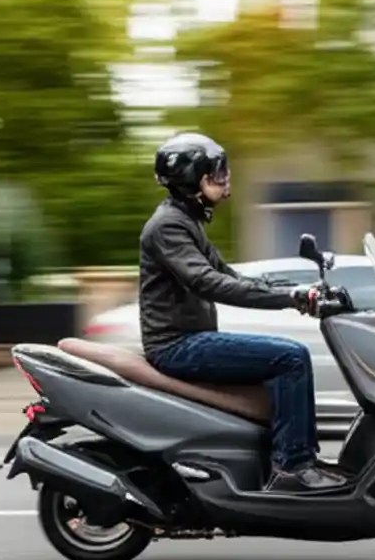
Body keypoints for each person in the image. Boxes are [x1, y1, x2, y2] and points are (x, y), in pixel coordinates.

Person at [139, 132, 345, 493]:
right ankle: (293, 466)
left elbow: (229, 275)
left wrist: (295, 288)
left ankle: (285, 457)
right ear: (193, 181)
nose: (226, 179)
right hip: (176, 345)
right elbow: (209, 283)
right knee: (290, 357)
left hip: (191, 338)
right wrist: (290, 298)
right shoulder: (168, 226)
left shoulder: (186, 221)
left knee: (284, 356)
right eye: (217, 173)